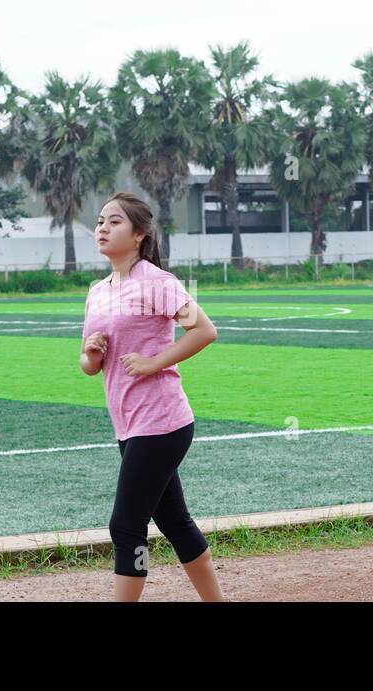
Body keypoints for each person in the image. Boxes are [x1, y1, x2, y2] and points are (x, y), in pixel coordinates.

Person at [79, 191, 225, 603]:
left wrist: (154, 361)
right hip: (128, 424)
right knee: (175, 521)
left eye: (114, 222)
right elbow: (89, 366)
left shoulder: (156, 282)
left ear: (139, 233)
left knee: (125, 527)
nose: (103, 228)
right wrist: (91, 355)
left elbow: (204, 331)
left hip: (162, 421)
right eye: (100, 221)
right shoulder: (98, 291)